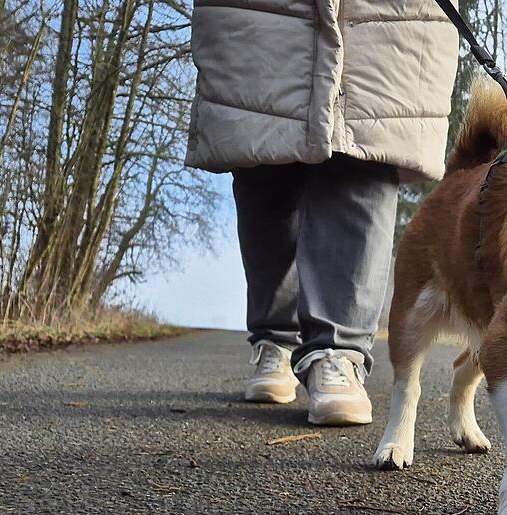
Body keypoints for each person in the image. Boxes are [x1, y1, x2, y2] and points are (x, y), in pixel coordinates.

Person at [186, 1, 459, 425]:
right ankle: (274, 339)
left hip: (387, 16)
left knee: (364, 155)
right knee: (263, 162)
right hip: (260, 16)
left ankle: (339, 352)